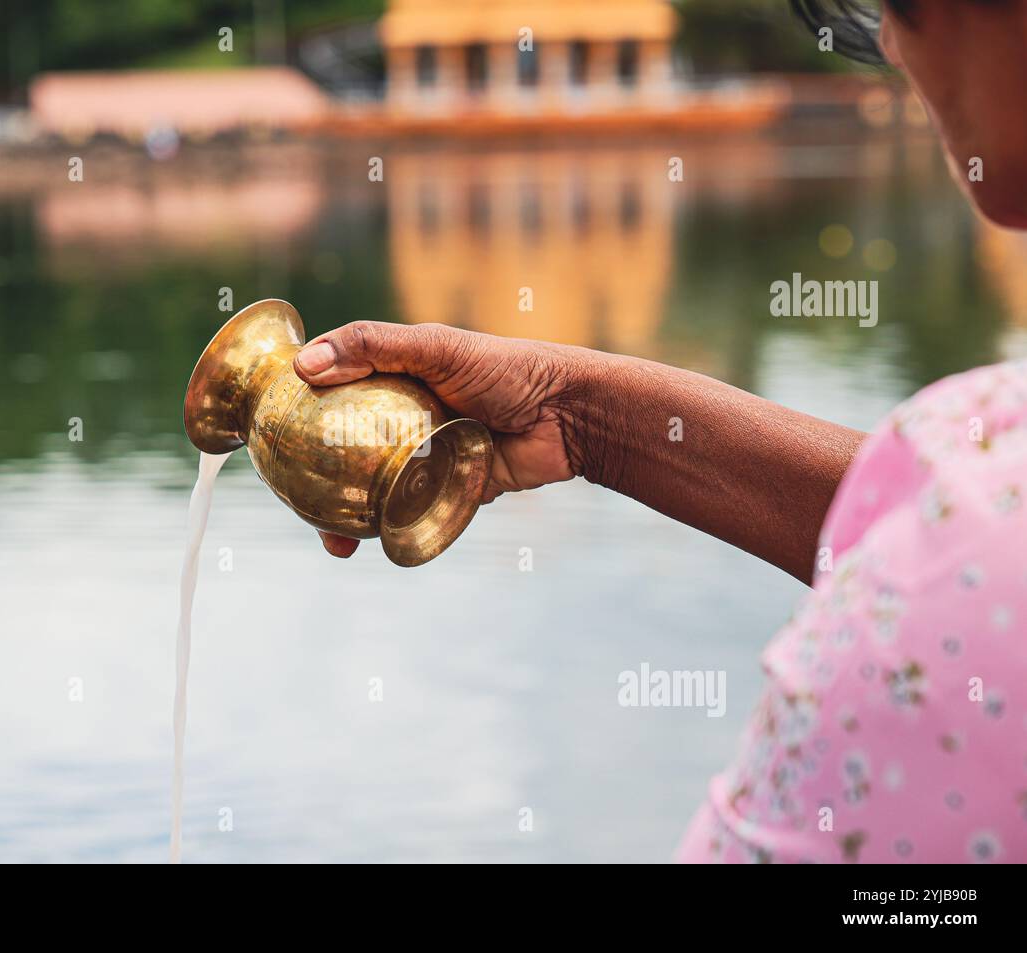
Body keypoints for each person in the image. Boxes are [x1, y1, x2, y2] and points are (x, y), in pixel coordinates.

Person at [292, 0, 1027, 863]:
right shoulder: (977, 500)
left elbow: (963, 563)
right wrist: (580, 413)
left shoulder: (949, 589)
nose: (891, 43)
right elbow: (961, 530)